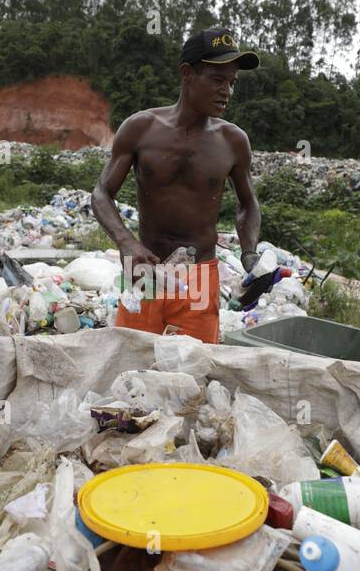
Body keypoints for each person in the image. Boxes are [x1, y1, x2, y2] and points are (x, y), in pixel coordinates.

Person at [91, 26, 262, 344]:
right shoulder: (141, 128)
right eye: (217, 79)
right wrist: (127, 243)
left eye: (232, 82)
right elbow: (102, 193)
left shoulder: (233, 141)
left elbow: (248, 203)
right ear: (187, 73)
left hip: (198, 277)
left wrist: (250, 253)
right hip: (146, 272)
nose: (227, 91)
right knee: (132, 362)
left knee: (192, 371)